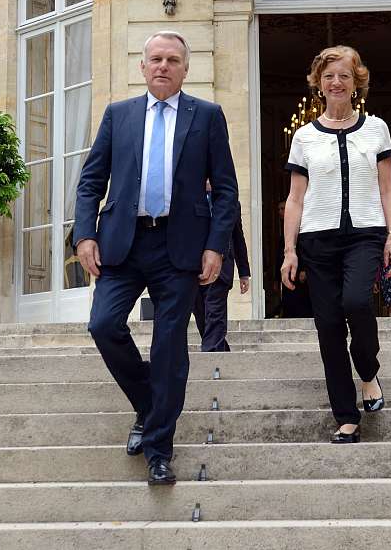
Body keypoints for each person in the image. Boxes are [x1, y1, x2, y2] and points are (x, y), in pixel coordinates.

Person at [74, 30, 239, 486]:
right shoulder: (119, 115)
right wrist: (84, 235)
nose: (163, 66)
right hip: (122, 245)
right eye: (155, 59)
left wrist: (216, 248)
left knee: (170, 348)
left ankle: (158, 449)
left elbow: (225, 190)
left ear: (186, 69)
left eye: (172, 60)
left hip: (180, 247)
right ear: (142, 67)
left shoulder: (206, 116)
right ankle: (148, 404)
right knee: (103, 325)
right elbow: (90, 181)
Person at [281, 45, 391, 444]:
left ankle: (368, 371)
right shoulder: (304, 136)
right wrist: (289, 250)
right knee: (329, 327)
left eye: (344, 76)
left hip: (365, 233)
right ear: (319, 83)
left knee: (357, 303)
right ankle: (346, 416)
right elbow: (296, 198)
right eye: (329, 76)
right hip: (317, 238)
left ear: (356, 83)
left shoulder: (376, 128)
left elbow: (387, 187)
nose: (336, 82)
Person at [192, 193, 250, 352]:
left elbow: (238, 238)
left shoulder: (230, 203)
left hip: (222, 268)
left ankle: (211, 358)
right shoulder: (190, 197)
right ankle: (222, 353)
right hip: (193, 269)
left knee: (214, 314)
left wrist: (244, 272)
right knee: (202, 318)